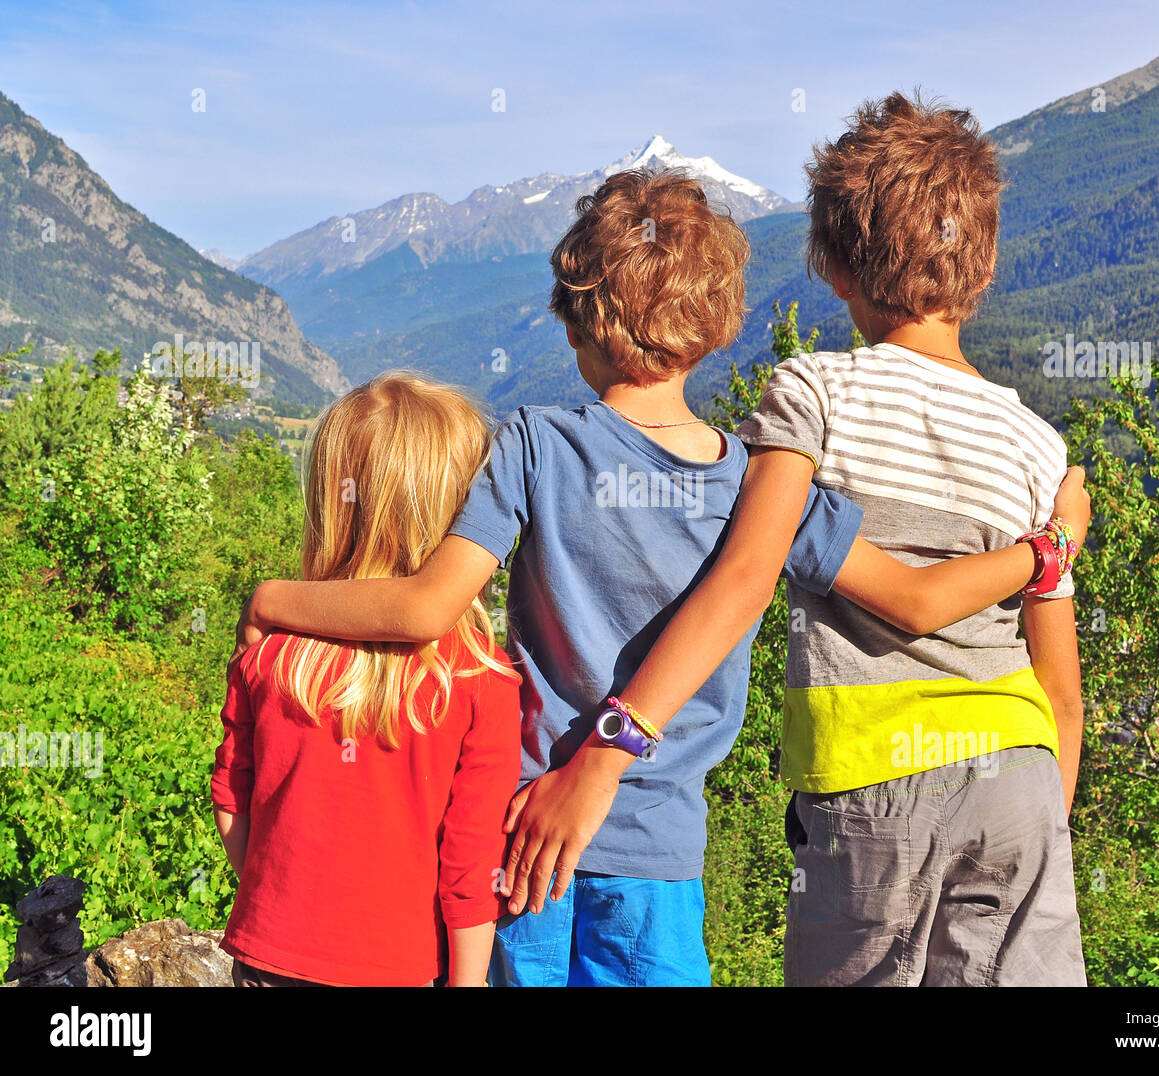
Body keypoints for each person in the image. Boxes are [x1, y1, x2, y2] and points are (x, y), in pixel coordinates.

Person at [236, 168, 1088, 986]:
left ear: (573, 328)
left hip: (528, 835)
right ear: (718, 330)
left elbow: (426, 608)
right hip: (660, 855)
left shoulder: (536, 444)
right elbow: (916, 600)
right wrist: (1046, 547)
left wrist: (273, 602)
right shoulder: (762, 485)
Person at [576, 95, 1092, 986]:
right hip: (1022, 776)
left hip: (874, 780)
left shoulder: (815, 391)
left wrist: (619, 737)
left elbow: (746, 574)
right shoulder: (1041, 449)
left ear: (835, 267)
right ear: (987, 263)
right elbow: (1063, 692)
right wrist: (1043, 819)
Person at [211, 372, 522, 987]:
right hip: (402, 970)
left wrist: (276, 902)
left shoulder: (271, 656)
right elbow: (469, 866)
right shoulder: (479, 676)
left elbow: (229, 797)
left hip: (267, 957)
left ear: (331, 505)